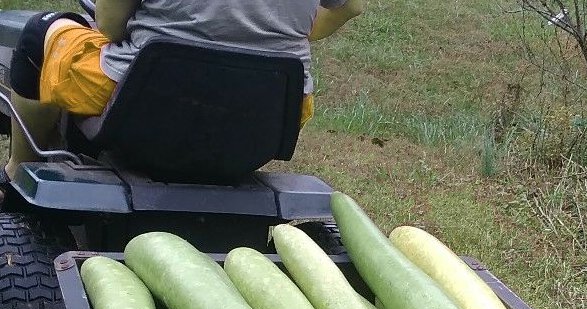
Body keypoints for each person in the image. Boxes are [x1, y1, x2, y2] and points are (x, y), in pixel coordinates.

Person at [1, 0, 363, 193]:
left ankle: (21, 169)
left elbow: (110, 26)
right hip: (266, 113)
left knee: (41, 36)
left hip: (147, 106)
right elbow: (351, 6)